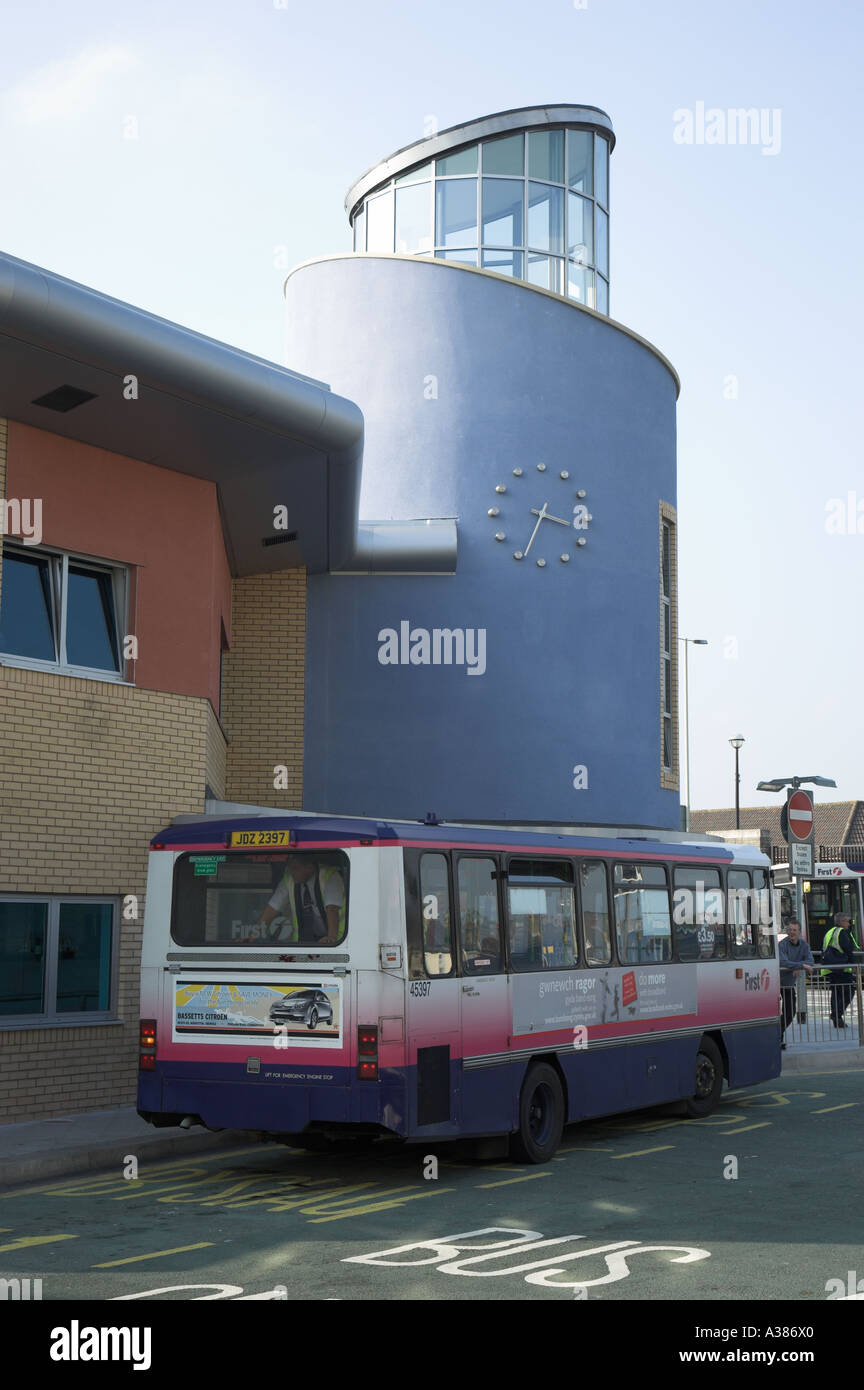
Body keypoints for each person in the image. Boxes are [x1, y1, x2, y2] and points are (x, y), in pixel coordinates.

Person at [257, 856, 345, 944]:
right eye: (290, 868)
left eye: (295, 868)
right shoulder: (289, 879)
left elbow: (332, 909)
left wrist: (331, 938)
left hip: (338, 939)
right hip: (304, 942)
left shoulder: (329, 876)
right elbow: (272, 908)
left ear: (309, 868)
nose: (291, 872)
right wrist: (254, 934)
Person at [820, 913, 861, 1029]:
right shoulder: (841, 932)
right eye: (847, 921)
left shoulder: (830, 932)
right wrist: (853, 965)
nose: (849, 924)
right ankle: (836, 1015)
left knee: (836, 993)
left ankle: (837, 1019)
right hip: (841, 968)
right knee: (849, 992)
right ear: (841, 922)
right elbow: (848, 950)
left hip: (831, 968)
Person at [778, 918, 813, 1049]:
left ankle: (777, 1036)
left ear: (799, 932)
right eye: (789, 930)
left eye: (794, 930)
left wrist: (799, 966)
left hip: (788, 984)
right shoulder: (782, 945)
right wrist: (799, 965)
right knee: (777, 1013)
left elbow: (810, 961)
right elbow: (783, 962)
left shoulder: (804, 945)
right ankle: (778, 1039)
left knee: (790, 1012)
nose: (791, 932)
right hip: (776, 984)